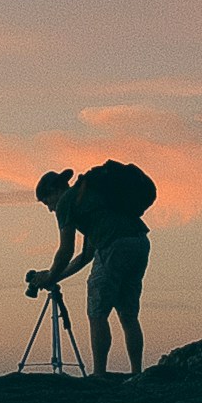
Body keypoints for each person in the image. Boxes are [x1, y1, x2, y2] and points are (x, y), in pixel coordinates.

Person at [27, 160, 157, 377]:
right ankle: (137, 374)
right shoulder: (89, 198)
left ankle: (99, 375)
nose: (50, 209)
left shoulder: (66, 202)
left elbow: (65, 251)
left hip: (113, 245)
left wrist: (50, 274)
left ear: (54, 191)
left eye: (47, 202)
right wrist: (52, 277)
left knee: (97, 313)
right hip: (139, 242)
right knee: (128, 315)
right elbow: (84, 257)